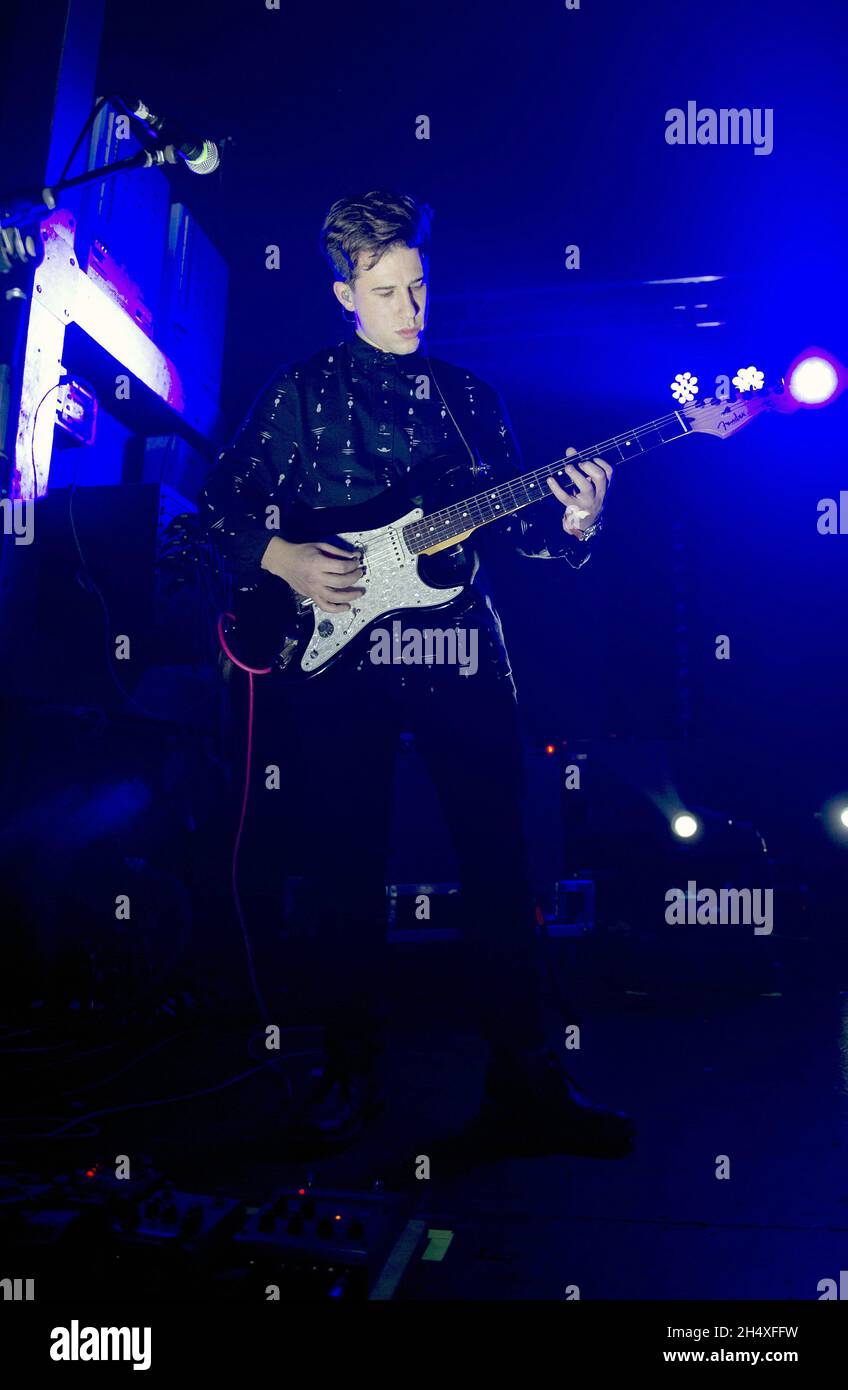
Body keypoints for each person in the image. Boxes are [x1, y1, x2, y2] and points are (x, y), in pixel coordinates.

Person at [201, 190, 635, 1158]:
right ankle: (350, 1076)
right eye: (387, 291)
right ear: (343, 293)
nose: (409, 309)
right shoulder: (300, 391)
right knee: (346, 864)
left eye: (419, 288)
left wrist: (575, 522)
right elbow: (219, 500)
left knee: (498, 857)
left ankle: (525, 1080)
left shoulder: (471, 398)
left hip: (456, 645)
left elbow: (523, 526)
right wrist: (283, 561)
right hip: (336, 653)